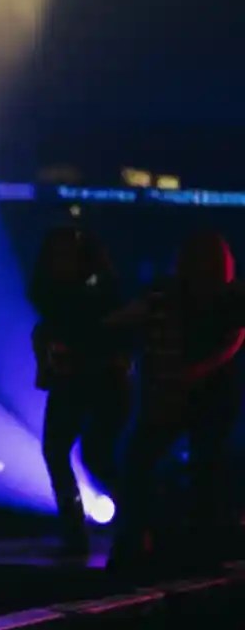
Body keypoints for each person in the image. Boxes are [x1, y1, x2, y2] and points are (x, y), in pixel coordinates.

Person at [106, 230, 245, 576]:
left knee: (197, 466)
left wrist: (197, 370)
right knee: (181, 465)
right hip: (183, 392)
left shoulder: (225, 297)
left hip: (204, 393)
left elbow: (234, 337)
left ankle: (181, 541)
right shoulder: (175, 293)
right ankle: (154, 538)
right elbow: (135, 316)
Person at [27, 225, 129, 556]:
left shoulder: (100, 290)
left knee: (95, 456)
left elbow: (109, 334)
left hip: (103, 381)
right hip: (74, 381)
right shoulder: (57, 293)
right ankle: (76, 532)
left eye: (66, 256)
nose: (60, 262)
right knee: (58, 451)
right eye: (56, 256)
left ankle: (137, 524)